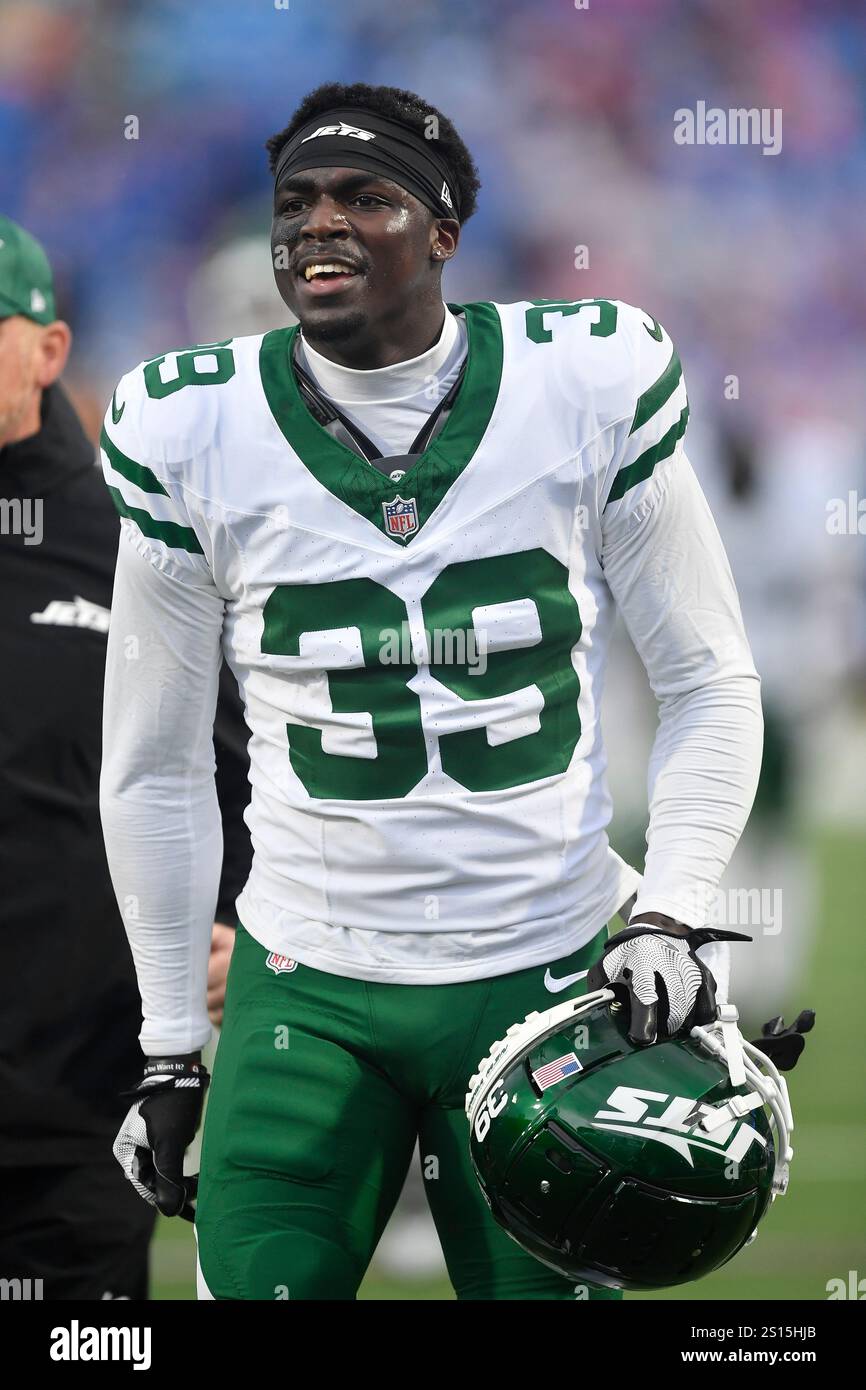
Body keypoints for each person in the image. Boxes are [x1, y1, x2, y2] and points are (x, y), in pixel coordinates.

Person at [101, 82, 763, 1301]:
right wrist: (167, 1044)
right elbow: (152, 762)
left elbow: (706, 678)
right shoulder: (187, 426)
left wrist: (668, 911)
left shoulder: (586, 381)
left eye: (366, 198)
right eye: (296, 202)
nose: (320, 225)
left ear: (443, 230)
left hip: (543, 973)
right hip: (308, 984)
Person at [0, 215, 251, 1300]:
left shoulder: (141, 533)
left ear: (50, 349)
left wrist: (256, 920)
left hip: (73, 1118)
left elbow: (258, 769)